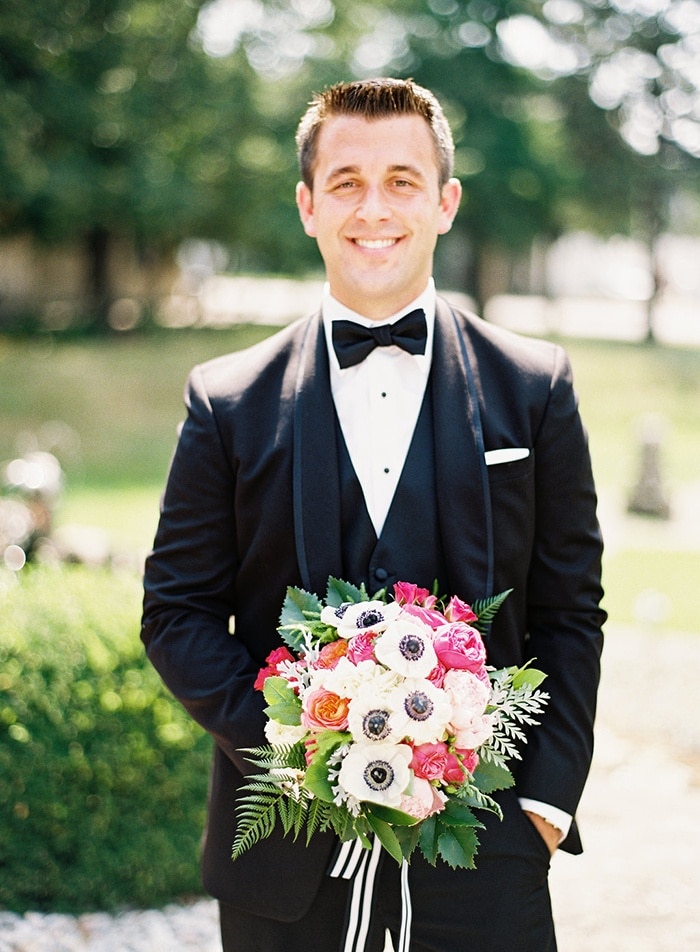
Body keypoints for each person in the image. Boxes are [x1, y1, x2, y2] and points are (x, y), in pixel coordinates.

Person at [141, 77, 605, 952]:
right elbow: (176, 614)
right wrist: (301, 743)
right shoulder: (227, 401)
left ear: (445, 203)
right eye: (347, 181)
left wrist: (545, 799)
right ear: (309, 205)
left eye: (402, 179)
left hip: (487, 846)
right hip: (284, 861)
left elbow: (570, 611)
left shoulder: (535, 387)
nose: (375, 207)